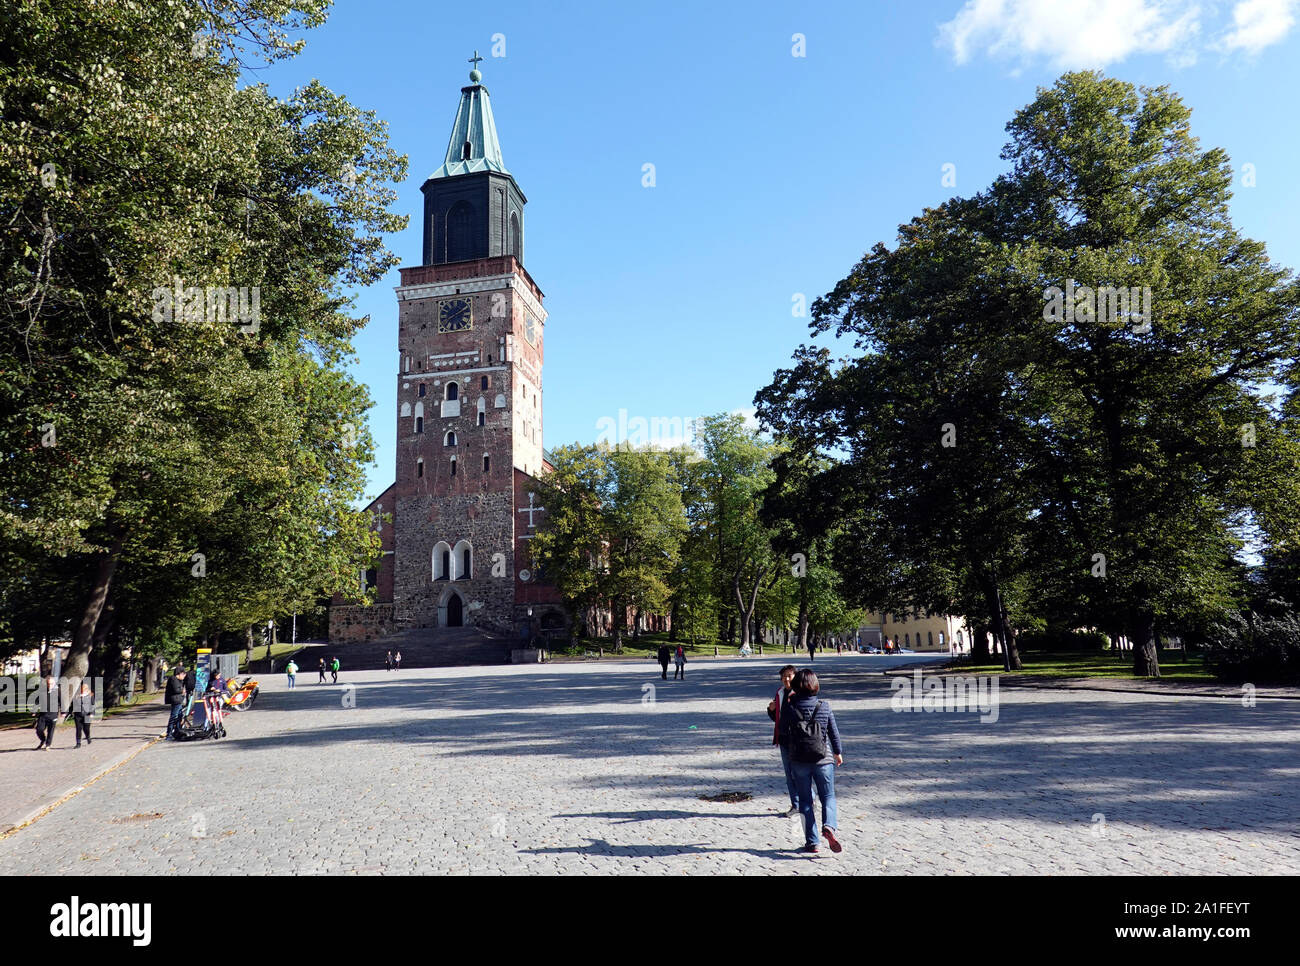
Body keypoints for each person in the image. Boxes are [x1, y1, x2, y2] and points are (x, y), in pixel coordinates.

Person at [780, 668, 844, 854]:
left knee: (806, 801)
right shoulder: (824, 706)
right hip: (823, 758)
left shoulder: (790, 708)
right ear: (815, 685)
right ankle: (829, 827)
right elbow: (833, 732)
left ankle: (813, 842)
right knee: (828, 796)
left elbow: (783, 731)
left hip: (799, 760)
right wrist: (838, 752)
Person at [767, 665, 799, 817]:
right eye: (784, 676)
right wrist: (771, 710)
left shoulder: (799, 693)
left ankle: (809, 800)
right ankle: (796, 804)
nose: (786, 679)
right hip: (784, 738)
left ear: (795, 676)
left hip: (798, 740)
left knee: (800, 773)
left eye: (789, 675)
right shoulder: (780, 693)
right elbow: (777, 718)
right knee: (789, 774)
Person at [65, 680, 95, 747]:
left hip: (87, 715)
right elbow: (73, 706)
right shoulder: (77, 696)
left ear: (87, 689)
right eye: (82, 689)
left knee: (86, 728)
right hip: (78, 715)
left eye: (85, 689)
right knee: (78, 729)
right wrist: (69, 712)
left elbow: (93, 705)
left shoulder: (90, 696)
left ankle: (88, 736)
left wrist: (92, 713)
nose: (83, 690)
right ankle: (78, 743)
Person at [33, 674, 59, 750]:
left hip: (53, 714)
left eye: (51, 683)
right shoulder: (42, 691)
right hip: (43, 714)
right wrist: (34, 710)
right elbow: (37, 701)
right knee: (39, 729)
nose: (49, 685)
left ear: (54, 683)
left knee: (50, 731)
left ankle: (48, 744)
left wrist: (64, 712)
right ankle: (43, 740)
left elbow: (63, 701)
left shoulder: (58, 691)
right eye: (48, 683)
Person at [164, 668, 188, 739]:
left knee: (180, 716)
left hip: (178, 700)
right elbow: (176, 689)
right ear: (179, 674)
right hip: (176, 700)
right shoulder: (174, 679)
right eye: (183, 674)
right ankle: (169, 733)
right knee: (174, 716)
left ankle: (178, 731)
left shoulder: (178, 680)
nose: (184, 676)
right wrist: (182, 691)